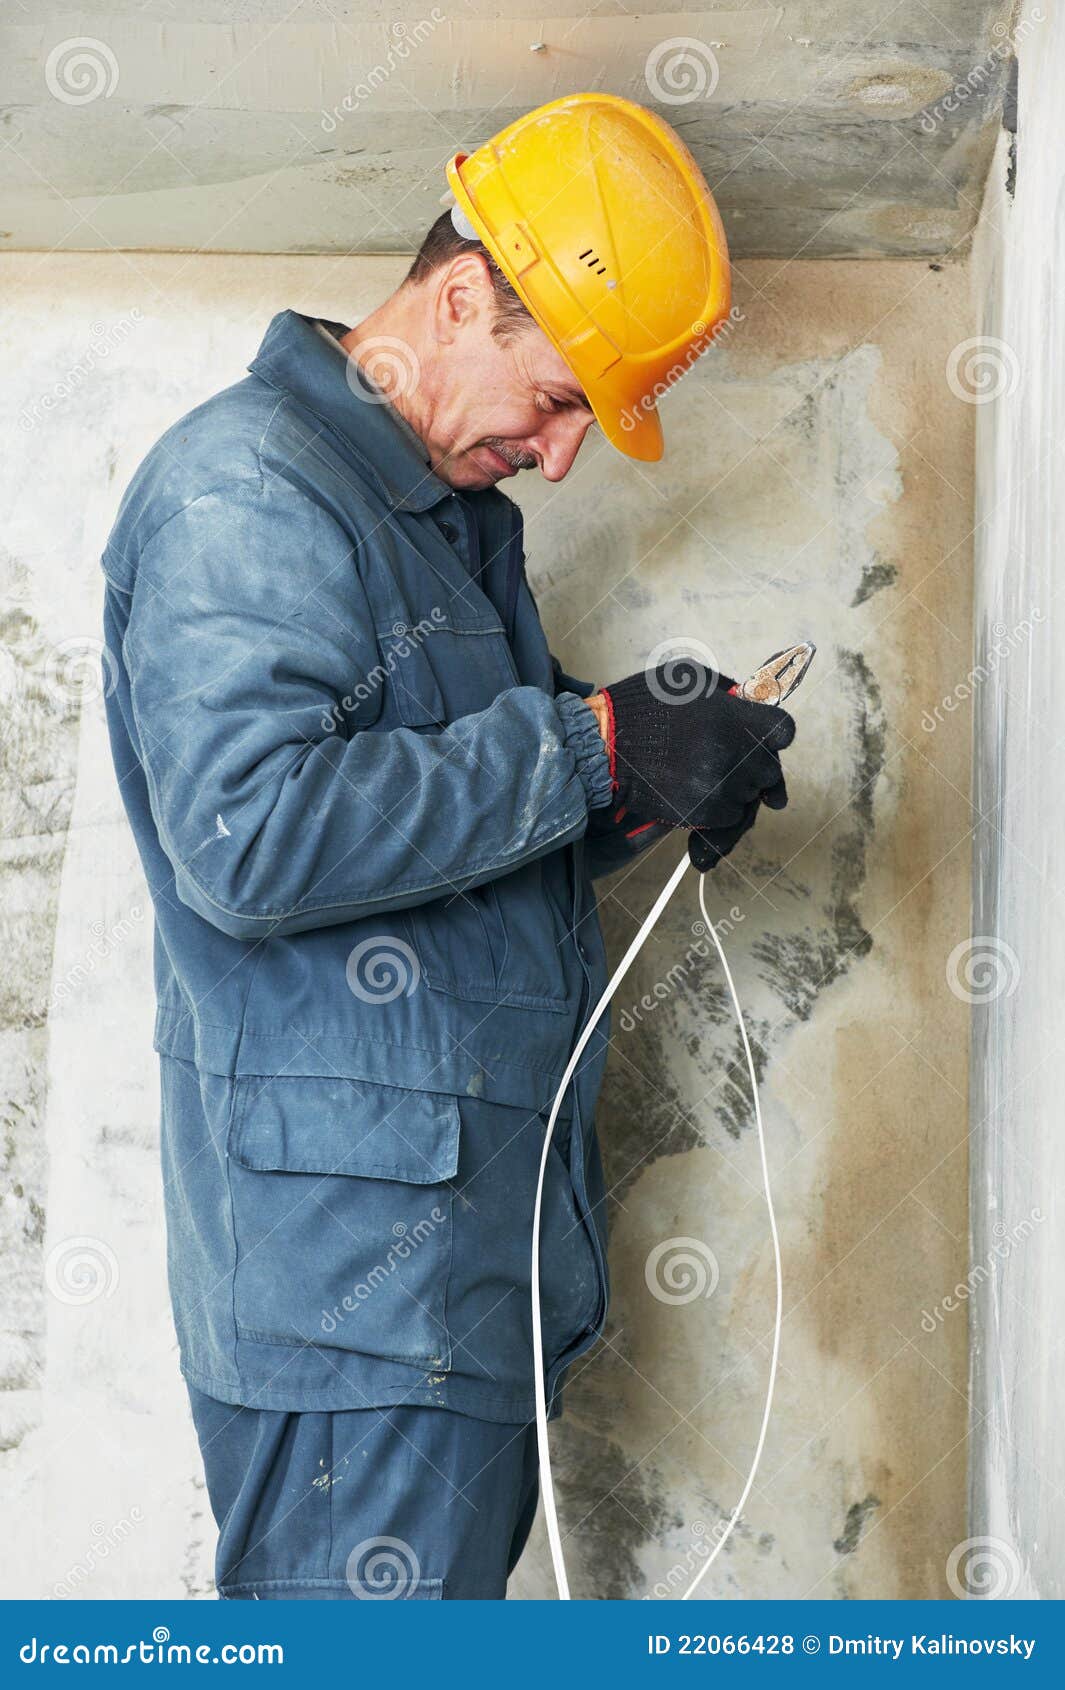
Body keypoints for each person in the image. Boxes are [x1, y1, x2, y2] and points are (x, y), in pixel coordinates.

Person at [100, 93, 795, 1600]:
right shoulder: (253, 487)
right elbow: (250, 834)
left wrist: (648, 775)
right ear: (464, 293)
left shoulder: (434, 527)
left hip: (444, 1282)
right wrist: (586, 744)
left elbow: (459, 846)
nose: (556, 460)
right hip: (361, 1302)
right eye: (552, 400)